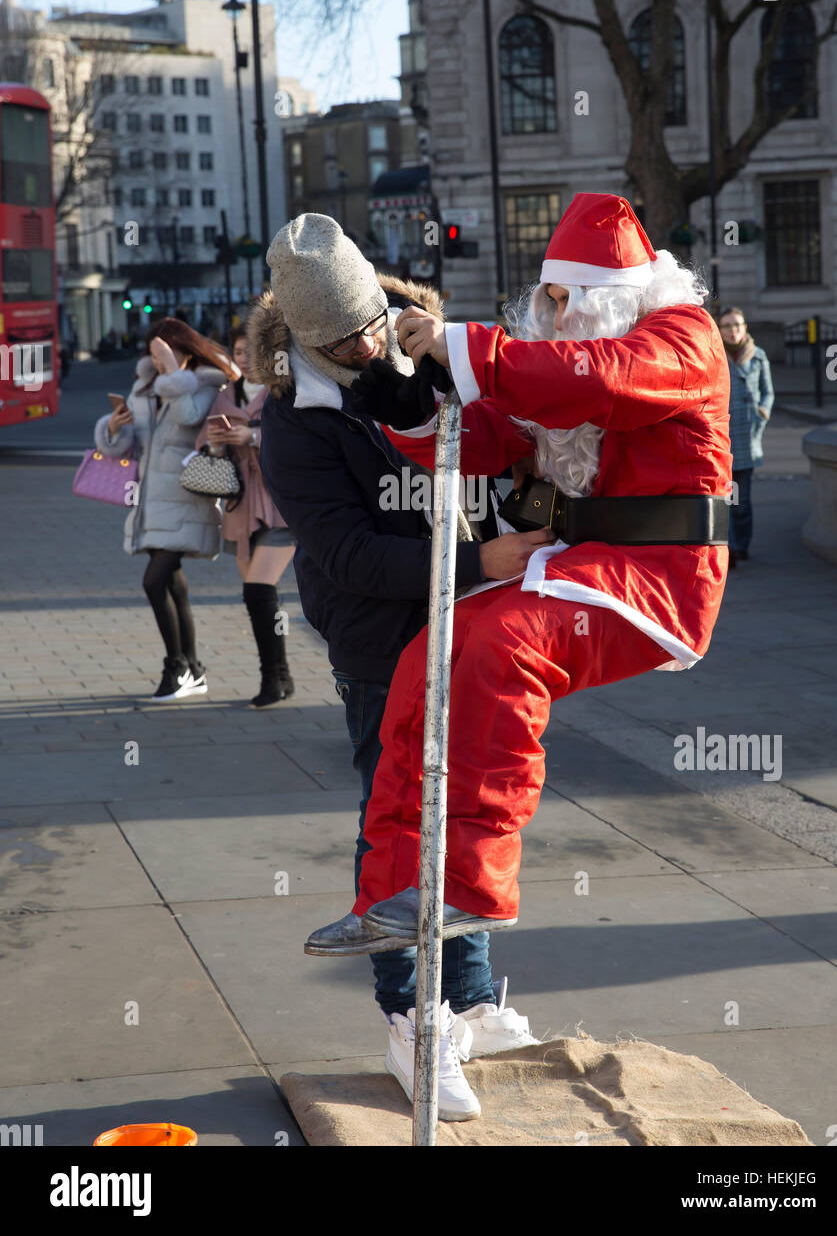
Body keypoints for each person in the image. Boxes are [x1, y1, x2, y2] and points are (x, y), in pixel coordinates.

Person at [306, 192, 732, 957]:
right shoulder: (565, 363)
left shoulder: (681, 335)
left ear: (614, 295)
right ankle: (389, 897)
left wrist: (464, 347)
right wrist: (407, 402)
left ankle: (474, 885)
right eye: (550, 299)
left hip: (661, 575)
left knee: (505, 648)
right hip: (581, 564)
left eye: (569, 298)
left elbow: (598, 378)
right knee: (426, 663)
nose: (557, 313)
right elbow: (491, 437)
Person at [249, 213, 538, 1122]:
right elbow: (342, 554)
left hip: (481, 623)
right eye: (341, 341)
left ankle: (474, 998)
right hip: (384, 644)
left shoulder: (425, 350)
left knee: (476, 806)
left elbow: (506, 438)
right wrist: (478, 563)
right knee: (402, 818)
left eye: (371, 322)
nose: (366, 347)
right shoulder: (294, 421)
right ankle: (410, 1016)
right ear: (305, 339)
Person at [94, 317, 239, 701]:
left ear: (185, 352)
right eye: (154, 355)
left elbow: (189, 417)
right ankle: (192, 668)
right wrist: (114, 427)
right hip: (152, 500)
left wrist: (173, 375)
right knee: (172, 582)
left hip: (187, 496)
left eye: (166, 354)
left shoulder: (208, 385)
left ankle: (176, 667)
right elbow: (129, 444)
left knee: (154, 580)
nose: (158, 362)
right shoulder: (145, 388)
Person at [196, 324, 296, 707]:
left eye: (250, 352)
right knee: (260, 597)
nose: (244, 360)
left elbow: (297, 441)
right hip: (240, 509)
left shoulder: (282, 393)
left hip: (278, 505)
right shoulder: (225, 396)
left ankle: (272, 680)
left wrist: (252, 438)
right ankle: (279, 674)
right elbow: (204, 444)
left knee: (257, 590)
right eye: (238, 353)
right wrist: (219, 446)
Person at [717, 306, 774, 565]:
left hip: (748, 437)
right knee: (726, 498)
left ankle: (741, 544)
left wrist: (763, 412)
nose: (733, 330)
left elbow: (768, 392)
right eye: (727, 325)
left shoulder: (759, 356)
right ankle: (729, 548)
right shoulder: (715, 356)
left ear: (745, 327)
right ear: (720, 330)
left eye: (737, 324)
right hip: (722, 438)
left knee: (742, 500)